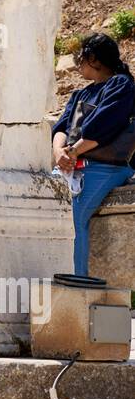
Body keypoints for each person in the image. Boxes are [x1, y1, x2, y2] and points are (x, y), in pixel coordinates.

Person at [52, 33, 135, 275]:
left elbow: (103, 125)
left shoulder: (121, 85)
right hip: (71, 164)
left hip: (105, 167)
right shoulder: (81, 94)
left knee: (73, 220)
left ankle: (78, 284)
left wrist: (74, 152)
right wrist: (59, 152)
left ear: (93, 58)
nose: (78, 62)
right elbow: (62, 127)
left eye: (82, 56)